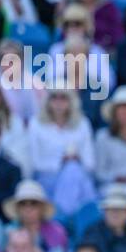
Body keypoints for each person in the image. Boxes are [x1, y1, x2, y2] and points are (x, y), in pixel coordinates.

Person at [27, 86, 97, 219]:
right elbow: (35, 163)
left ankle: (61, 218)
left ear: (71, 101)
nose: (58, 102)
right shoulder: (36, 123)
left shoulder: (82, 123)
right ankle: (71, 221)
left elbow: (90, 163)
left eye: (63, 98)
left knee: (73, 171)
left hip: (77, 175)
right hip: (47, 178)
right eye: (54, 98)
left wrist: (76, 159)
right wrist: (61, 162)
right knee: (74, 173)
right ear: (47, 101)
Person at [2, 178, 70, 252]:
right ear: (17, 208)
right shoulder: (8, 232)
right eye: (23, 203)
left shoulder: (56, 232)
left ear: (42, 207)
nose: (28, 208)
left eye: (33, 203)